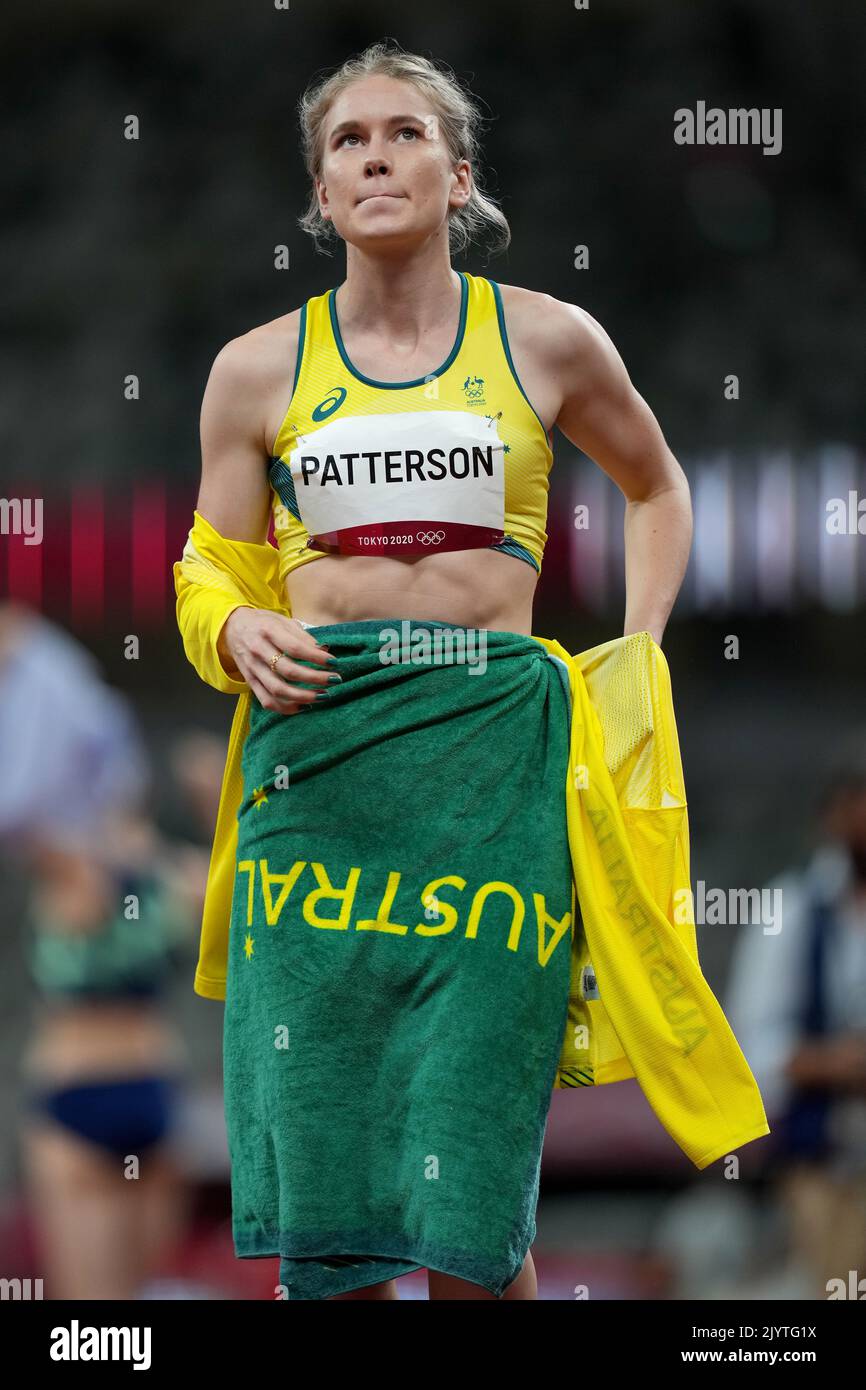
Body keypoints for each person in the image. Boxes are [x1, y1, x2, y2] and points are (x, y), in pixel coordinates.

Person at [182, 39, 694, 1301]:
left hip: (489, 762)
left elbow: (657, 487)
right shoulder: (255, 368)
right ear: (320, 195)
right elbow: (207, 568)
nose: (374, 155)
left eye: (403, 133)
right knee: (333, 1184)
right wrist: (230, 631)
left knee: (466, 1179)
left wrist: (633, 657)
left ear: (456, 175)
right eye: (346, 140)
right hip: (322, 771)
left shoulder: (550, 339)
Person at [0, 601, 202, 1298]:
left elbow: (253, 880)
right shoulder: (83, 863)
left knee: (131, 1309)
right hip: (87, 1101)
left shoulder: (160, 872)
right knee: (98, 1318)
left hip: (138, 1095)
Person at [725, 741, 866, 1297]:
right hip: (820, 1165)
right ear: (833, 814)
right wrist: (835, 1064)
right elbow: (754, 1047)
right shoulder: (792, 908)